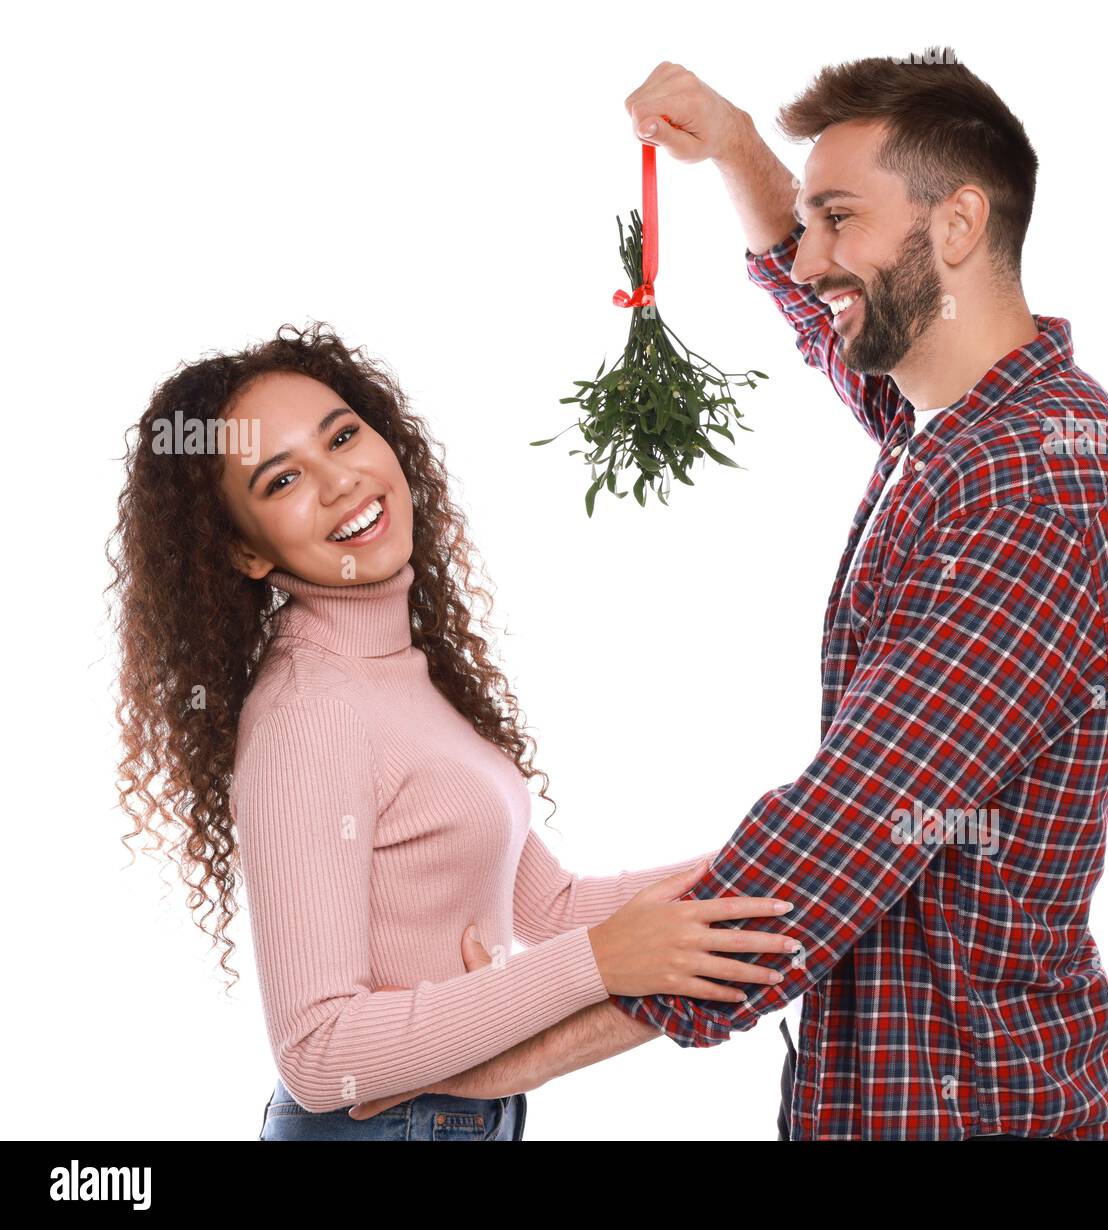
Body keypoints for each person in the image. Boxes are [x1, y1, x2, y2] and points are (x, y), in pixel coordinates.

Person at [351, 50, 1108, 1141]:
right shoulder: (959, 430)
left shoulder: (1041, 494)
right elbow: (835, 321)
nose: (815, 252)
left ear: (959, 225)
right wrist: (736, 149)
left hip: (967, 1110)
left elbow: (826, 852)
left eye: (840, 217)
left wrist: (476, 1063)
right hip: (879, 1085)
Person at [108, 327, 797, 1141]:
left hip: (452, 1119)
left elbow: (548, 906)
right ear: (244, 550)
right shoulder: (310, 710)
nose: (340, 481)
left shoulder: (402, 670)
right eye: (284, 478)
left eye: (342, 435)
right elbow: (321, 1054)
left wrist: (775, 862)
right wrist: (599, 963)